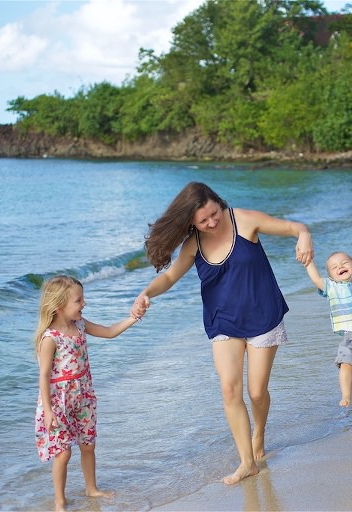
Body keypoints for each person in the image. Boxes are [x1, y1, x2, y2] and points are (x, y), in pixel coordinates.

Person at [130, 182, 313, 485]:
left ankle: (259, 432)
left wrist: (304, 235)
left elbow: (294, 227)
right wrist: (146, 293)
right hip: (223, 322)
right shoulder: (194, 245)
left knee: (256, 392)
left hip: (262, 315)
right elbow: (170, 277)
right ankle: (247, 462)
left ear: (218, 202)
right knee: (230, 390)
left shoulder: (244, 220)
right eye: (203, 221)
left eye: (214, 214)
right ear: (191, 222)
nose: (212, 223)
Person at [34, 275, 140, 512]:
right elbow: (43, 376)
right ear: (60, 306)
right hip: (58, 402)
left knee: (88, 445)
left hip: (83, 397)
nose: (84, 304)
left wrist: (133, 318)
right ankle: (59, 501)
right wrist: (49, 412)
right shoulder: (50, 339)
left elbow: (110, 332)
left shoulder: (80, 325)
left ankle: (91, 488)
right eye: (78, 300)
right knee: (63, 453)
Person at [303, 232, 352, 414]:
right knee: (345, 364)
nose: (340, 266)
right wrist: (308, 261)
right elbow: (316, 278)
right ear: (331, 276)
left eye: (345, 263)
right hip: (350, 339)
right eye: (334, 267)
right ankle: (346, 395)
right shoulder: (331, 287)